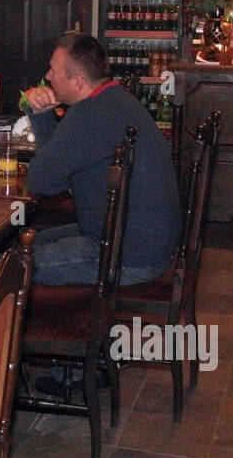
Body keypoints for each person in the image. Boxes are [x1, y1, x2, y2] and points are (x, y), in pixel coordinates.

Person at [23, 33, 181, 287]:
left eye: (53, 70)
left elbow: (41, 181)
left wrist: (41, 117)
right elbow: (54, 174)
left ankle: (65, 326)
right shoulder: (114, 99)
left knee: (5, 267)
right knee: (25, 242)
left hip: (128, 257)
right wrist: (43, 113)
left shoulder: (90, 114)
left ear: (77, 82)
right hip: (141, 241)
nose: (48, 77)